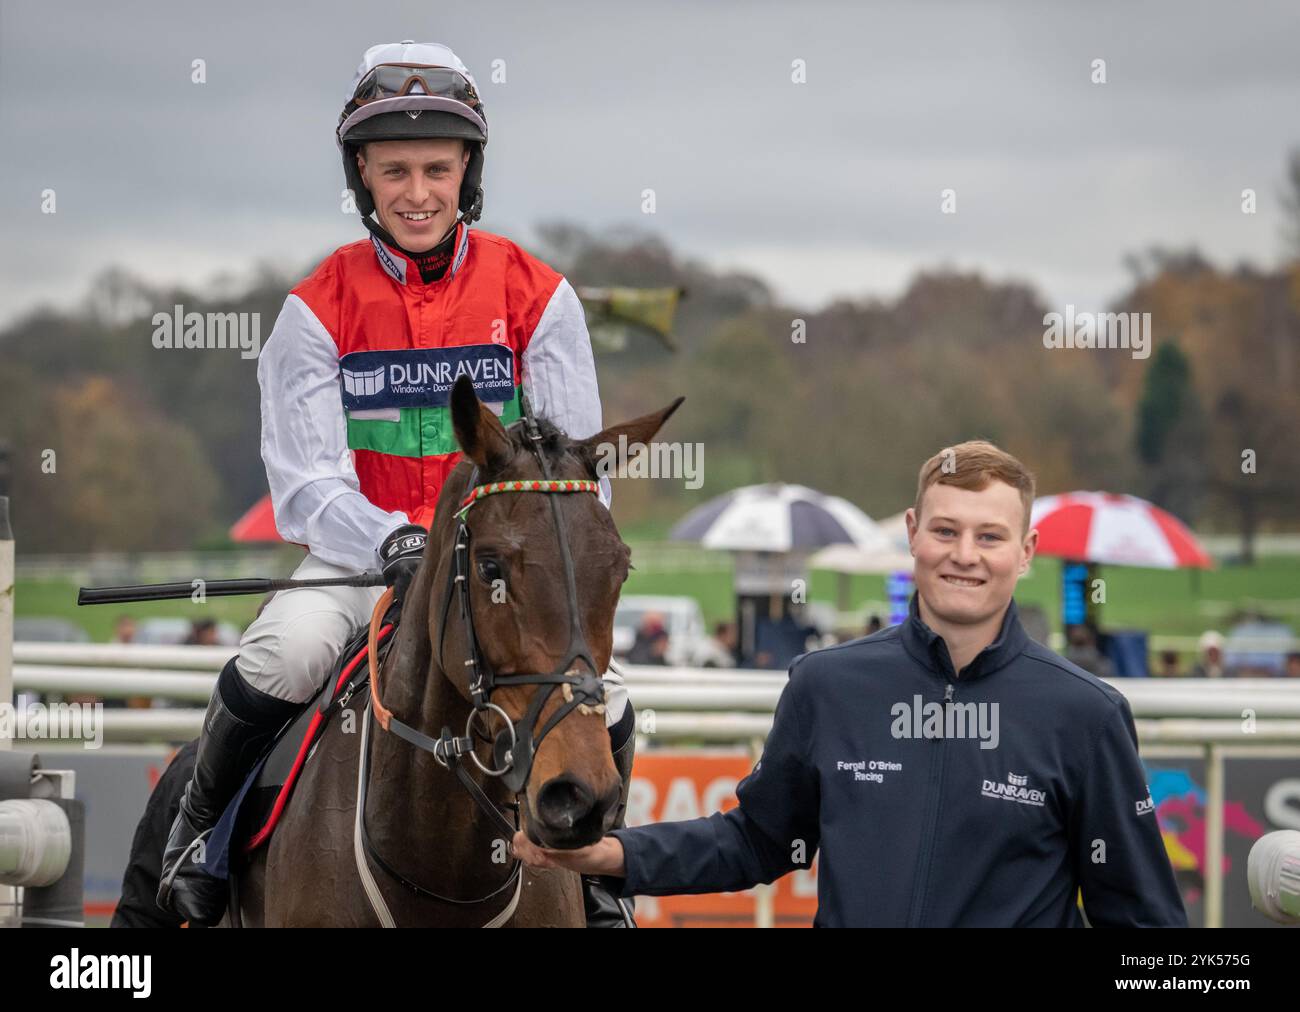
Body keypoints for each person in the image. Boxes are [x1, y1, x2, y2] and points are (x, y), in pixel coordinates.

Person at [156, 41, 634, 928]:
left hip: (502, 572)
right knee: (283, 656)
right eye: (396, 171)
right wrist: (394, 541)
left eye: (438, 170)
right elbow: (304, 484)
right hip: (363, 562)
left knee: (614, 695)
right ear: (364, 178)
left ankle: (600, 880)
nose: (419, 193)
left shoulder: (541, 296)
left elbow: (574, 475)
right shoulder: (313, 310)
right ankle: (201, 839)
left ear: (468, 174)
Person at [513, 440, 1188, 927]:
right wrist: (612, 854)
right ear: (913, 534)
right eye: (947, 531)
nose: (964, 555)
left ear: (1026, 552)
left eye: (990, 537)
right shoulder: (829, 685)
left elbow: (1144, 921)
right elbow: (755, 839)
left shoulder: (1085, 715)